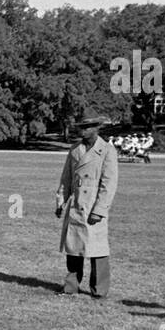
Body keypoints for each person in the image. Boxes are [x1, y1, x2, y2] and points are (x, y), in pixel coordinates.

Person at [55, 114, 119, 296]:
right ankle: (70, 287)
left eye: (86, 127)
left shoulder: (107, 150)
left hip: (93, 206)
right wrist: (61, 201)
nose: (81, 131)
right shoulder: (74, 149)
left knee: (97, 250)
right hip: (75, 206)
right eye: (80, 127)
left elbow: (109, 184)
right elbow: (66, 178)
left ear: (96, 128)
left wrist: (99, 210)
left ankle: (99, 290)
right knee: (73, 249)